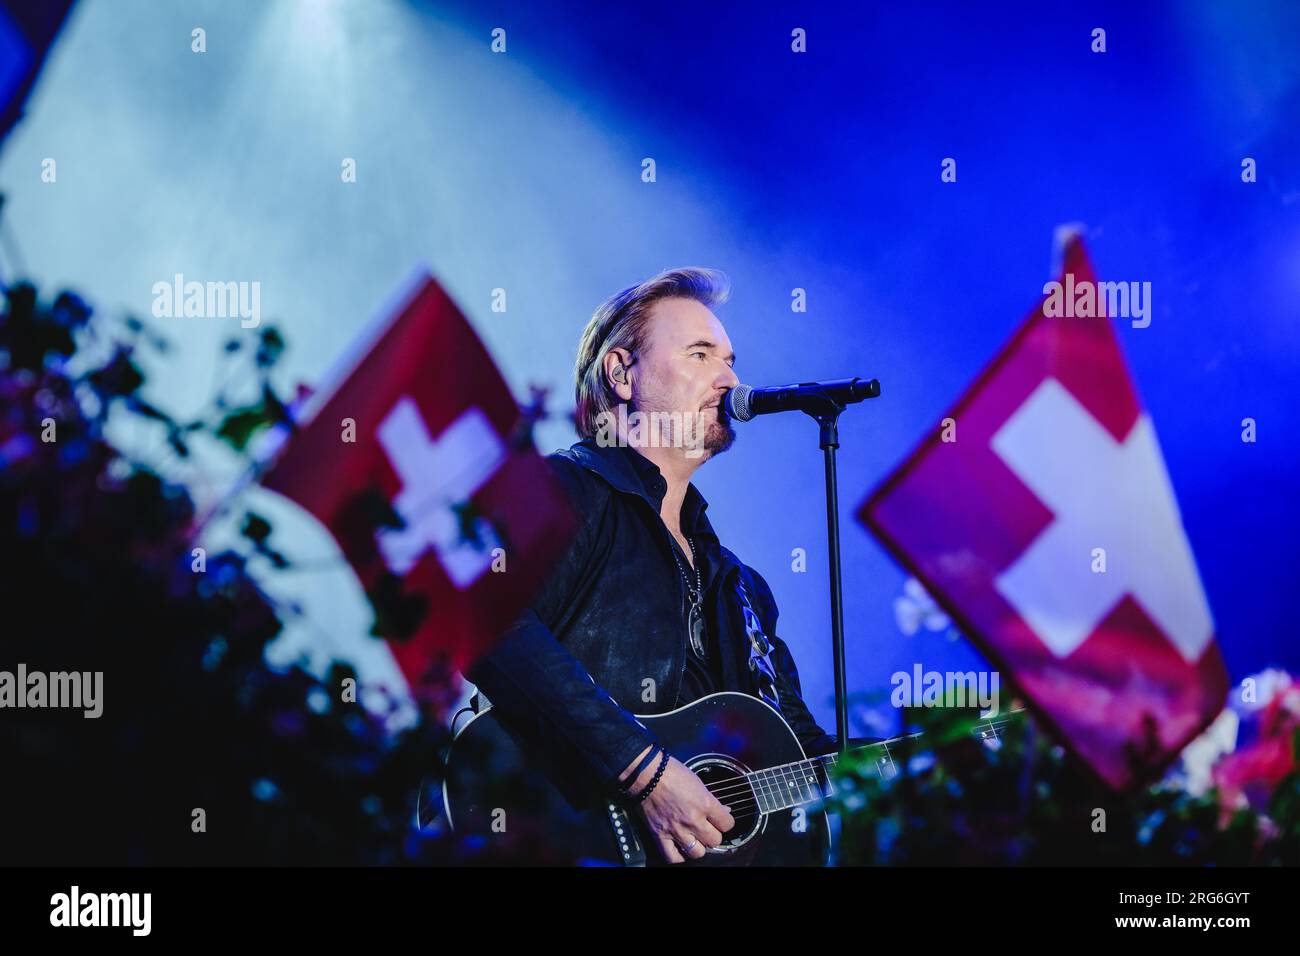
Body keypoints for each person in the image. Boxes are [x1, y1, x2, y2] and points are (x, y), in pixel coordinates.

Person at [465, 267, 843, 864]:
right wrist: (642, 769)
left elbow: (807, 752)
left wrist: (950, 751)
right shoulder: (564, 491)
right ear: (621, 373)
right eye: (700, 354)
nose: (730, 377)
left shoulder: (741, 586)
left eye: (730, 359)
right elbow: (486, 617)